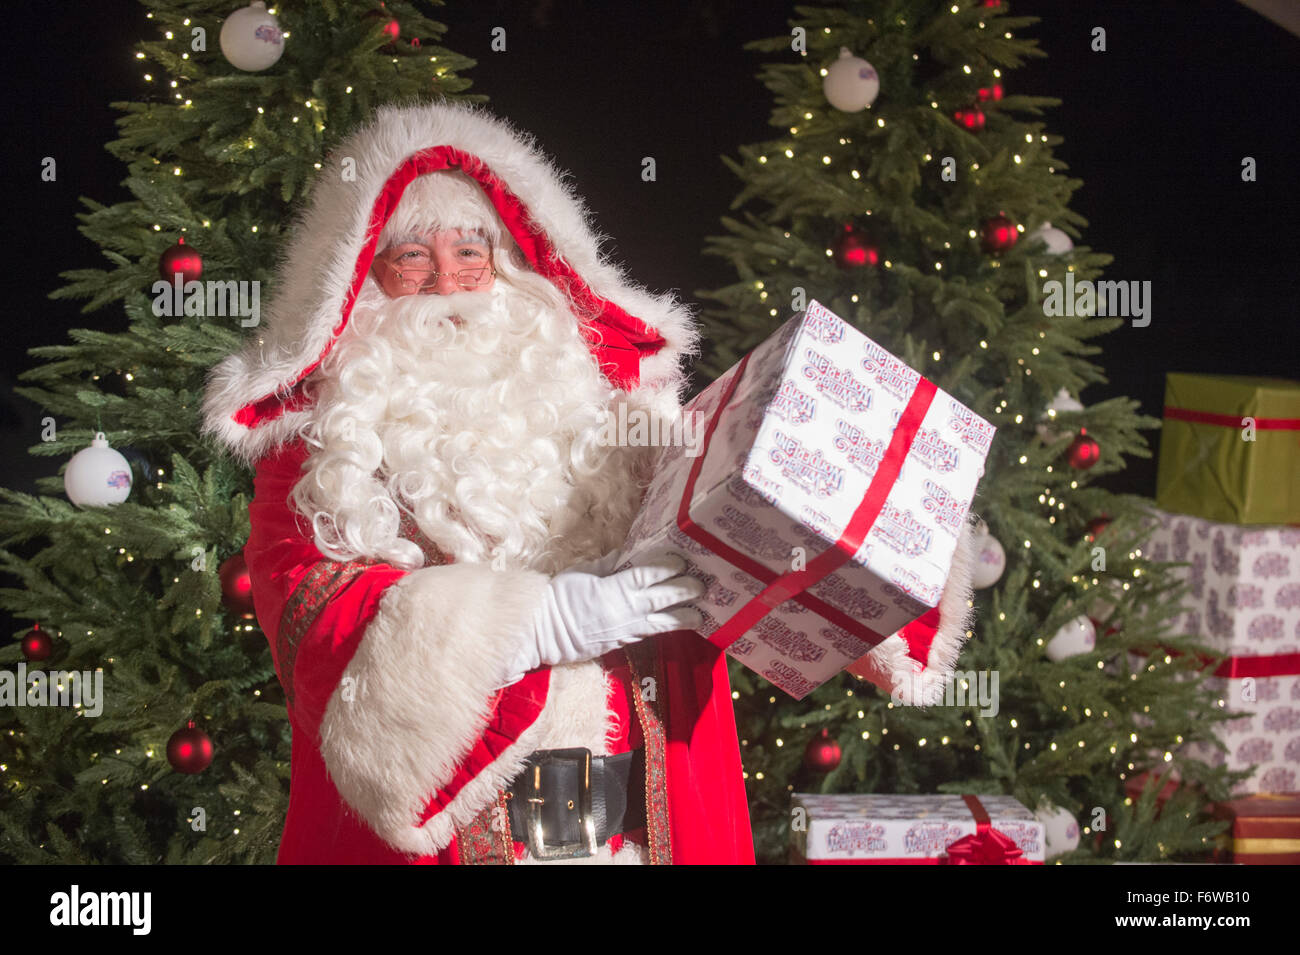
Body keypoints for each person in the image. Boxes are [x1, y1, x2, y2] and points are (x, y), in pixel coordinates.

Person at [200, 100, 756, 864]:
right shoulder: (319, 448)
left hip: (629, 814)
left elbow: (723, 515)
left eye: (470, 248)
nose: (447, 280)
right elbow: (311, 619)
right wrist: (541, 620)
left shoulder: (605, 406)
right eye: (412, 257)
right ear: (364, 276)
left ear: (510, 260)